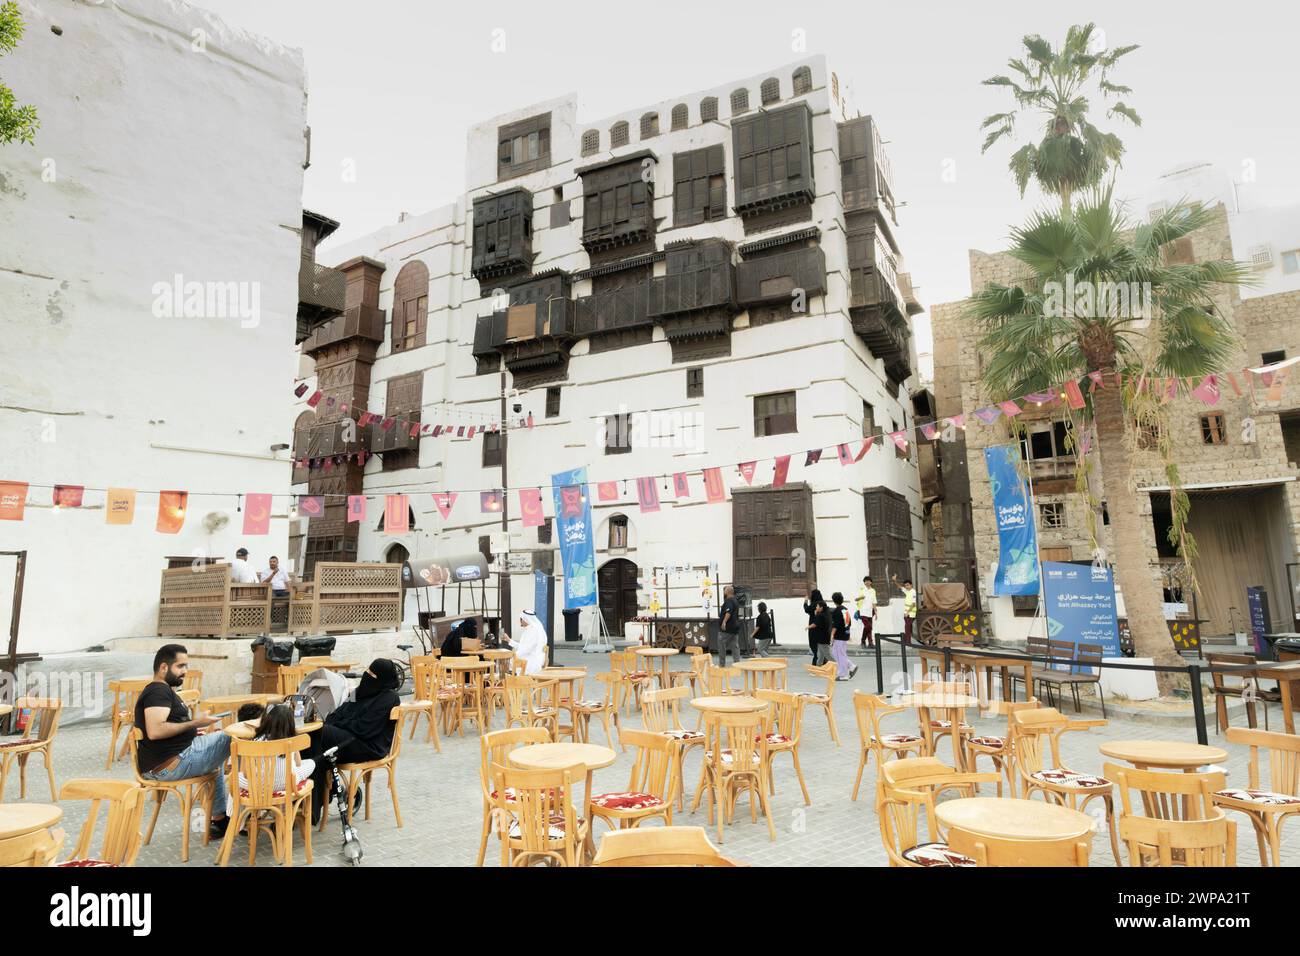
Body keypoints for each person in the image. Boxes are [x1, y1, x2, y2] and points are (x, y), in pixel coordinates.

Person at [135, 644, 231, 837]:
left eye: (186, 666)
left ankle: (220, 820)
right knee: (235, 736)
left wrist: (198, 725)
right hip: (171, 765)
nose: (185, 672)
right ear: (163, 667)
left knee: (220, 749)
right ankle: (255, 801)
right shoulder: (157, 692)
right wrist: (196, 723)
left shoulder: (164, 691)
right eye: (180, 666)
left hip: (174, 758)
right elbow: (155, 730)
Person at [307, 659, 401, 823]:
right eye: (367, 672)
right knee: (314, 739)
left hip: (368, 745)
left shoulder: (389, 698)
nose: (367, 676)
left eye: (372, 675)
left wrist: (340, 724)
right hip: (348, 737)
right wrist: (340, 724)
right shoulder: (358, 692)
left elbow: (365, 728)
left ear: (383, 678)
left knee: (320, 734)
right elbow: (336, 714)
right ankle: (308, 805)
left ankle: (311, 808)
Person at [236, 703, 315, 795]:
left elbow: (246, 774)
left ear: (266, 720)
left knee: (235, 777)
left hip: (260, 786)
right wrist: (294, 742)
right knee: (311, 763)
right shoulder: (291, 741)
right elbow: (298, 764)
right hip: (287, 783)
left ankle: (232, 809)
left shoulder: (256, 741)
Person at [830, 591, 857, 681]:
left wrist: (832, 635)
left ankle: (843, 674)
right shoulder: (845, 609)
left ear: (834, 600)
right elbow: (849, 622)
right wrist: (848, 633)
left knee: (840, 654)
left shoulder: (837, 611)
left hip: (840, 635)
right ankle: (851, 666)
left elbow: (836, 625)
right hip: (845, 633)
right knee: (835, 653)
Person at [513, 610, 548, 675]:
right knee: (509, 659)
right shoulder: (530, 629)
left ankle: (513, 681)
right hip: (529, 656)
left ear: (525, 619)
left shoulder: (534, 631)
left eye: (521, 619)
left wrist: (514, 654)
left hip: (533, 660)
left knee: (507, 661)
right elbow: (523, 647)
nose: (520, 621)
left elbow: (527, 649)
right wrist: (509, 640)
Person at [717, 586, 742, 667]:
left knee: (721, 644)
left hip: (728, 628)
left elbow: (728, 612)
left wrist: (724, 622)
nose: (724, 592)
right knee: (735, 646)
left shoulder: (728, 601)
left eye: (725, 590)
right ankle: (737, 663)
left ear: (727, 592)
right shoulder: (735, 601)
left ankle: (722, 664)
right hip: (735, 627)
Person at [806, 598, 832, 667]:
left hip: (823, 639)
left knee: (828, 655)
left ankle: (839, 666)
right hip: (823, 638)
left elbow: (815, 624)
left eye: (817, 606)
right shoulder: (825, 614)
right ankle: (818, 667)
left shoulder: (821, 615)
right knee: (820, 655)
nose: (816, 607)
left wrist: (808, 627)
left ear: (821, 607)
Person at [855, 576, 878, 648]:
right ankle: (865, 641)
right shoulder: (861, 590)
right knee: (868, 626)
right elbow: (856, 599)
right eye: (866, 581)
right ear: (864, 582)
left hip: (870, 611)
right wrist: (860, 597)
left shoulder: (873, 590)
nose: (867, 582)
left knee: (868, 627)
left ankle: (869, 643)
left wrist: (876, 612)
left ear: (871, 582)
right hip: (862, 611)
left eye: (868, 581)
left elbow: (874, 601)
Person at [803, 588, 825, 658]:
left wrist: (805, 601)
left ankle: (818, 662)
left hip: (814, 625)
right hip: (822, 626)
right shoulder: (823, 603)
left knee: (814, 644)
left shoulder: (815, 604)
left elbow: (807, 609)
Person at [901, 579, 918, 645]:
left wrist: (908, 612)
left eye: (908, 585)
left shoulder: (913, 592)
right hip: (907, 613)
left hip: (910, 613)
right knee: (908, 626)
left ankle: (908, 641)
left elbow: (913, 604)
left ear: (911, 585)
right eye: (905, 585)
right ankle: (907, 640)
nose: (906, 587)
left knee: (907, 627)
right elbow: (900, 587)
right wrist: (895, 580)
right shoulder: (907, 591)